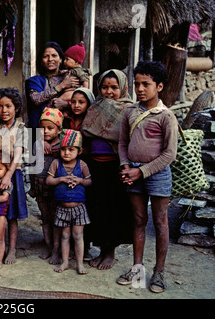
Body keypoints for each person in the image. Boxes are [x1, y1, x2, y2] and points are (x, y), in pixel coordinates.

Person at [117, 61, 178, 293]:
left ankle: (159, 272)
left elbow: (169, 154)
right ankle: (137, 269)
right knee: (138, 219)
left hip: (158, 174)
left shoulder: (166, 116)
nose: (140, 89)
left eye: (146, 84)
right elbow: (123, 143)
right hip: (131, 172)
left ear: (159, 86)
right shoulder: (130, 112)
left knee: (160, 222)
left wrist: (141, 171)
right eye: (137, 84)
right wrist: (125, 165)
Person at [81, 69, 134, 270]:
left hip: (115, 167)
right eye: (104, 87)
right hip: (94, 165)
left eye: (114, 87)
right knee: (97, 209)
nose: (109, 92)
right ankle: (101, 250)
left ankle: (110, 253)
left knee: (113, 209)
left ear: (123, 88)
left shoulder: (129, 110)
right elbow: (87, 131)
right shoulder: (94, 108)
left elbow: (127, 138)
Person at [25, 41, 79, 197]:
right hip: (38, 133)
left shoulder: (71, 77)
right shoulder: (35, 81)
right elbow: (36, 99)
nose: (50, 59)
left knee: (62, 175)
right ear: (40, 60)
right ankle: (45, 220)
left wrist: (66, 103)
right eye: (46, 56)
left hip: (63, 134)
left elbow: (80, 102)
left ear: (61, 59)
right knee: (40, 184)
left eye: (54, 55)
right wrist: (61, 86)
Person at [0, 87, 28, 264]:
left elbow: (17, 154)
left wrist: (8, 175)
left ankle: (12, 249)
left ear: (16, 108)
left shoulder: (21, 128)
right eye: (0, 106)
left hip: (13, 175)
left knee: (12, 214)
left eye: (8, 106)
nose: (4, 110)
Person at [46, 129, 92, 274]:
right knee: (65, 235)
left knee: (78, 236)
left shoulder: (82, 165)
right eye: (63, 149)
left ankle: (79, 263)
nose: (66, 153)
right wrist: (61, 179)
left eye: (71, 150)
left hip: (79, 208)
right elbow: (48, 180)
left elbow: (90, 182)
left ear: (79, 151)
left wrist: (79, 180)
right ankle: (65, 261)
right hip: (62, 208)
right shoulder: (56, 163)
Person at [31, 107, 63, 260]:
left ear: (59, 129)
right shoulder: (37, 144)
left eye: (50, 128)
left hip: (56, 188)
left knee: (56, 218)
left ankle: (57, 250)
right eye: (42, 128)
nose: (46, 131)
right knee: (45, 218)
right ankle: (49, 247)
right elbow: (32, 167)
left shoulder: (63, 147)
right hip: (40, 185)